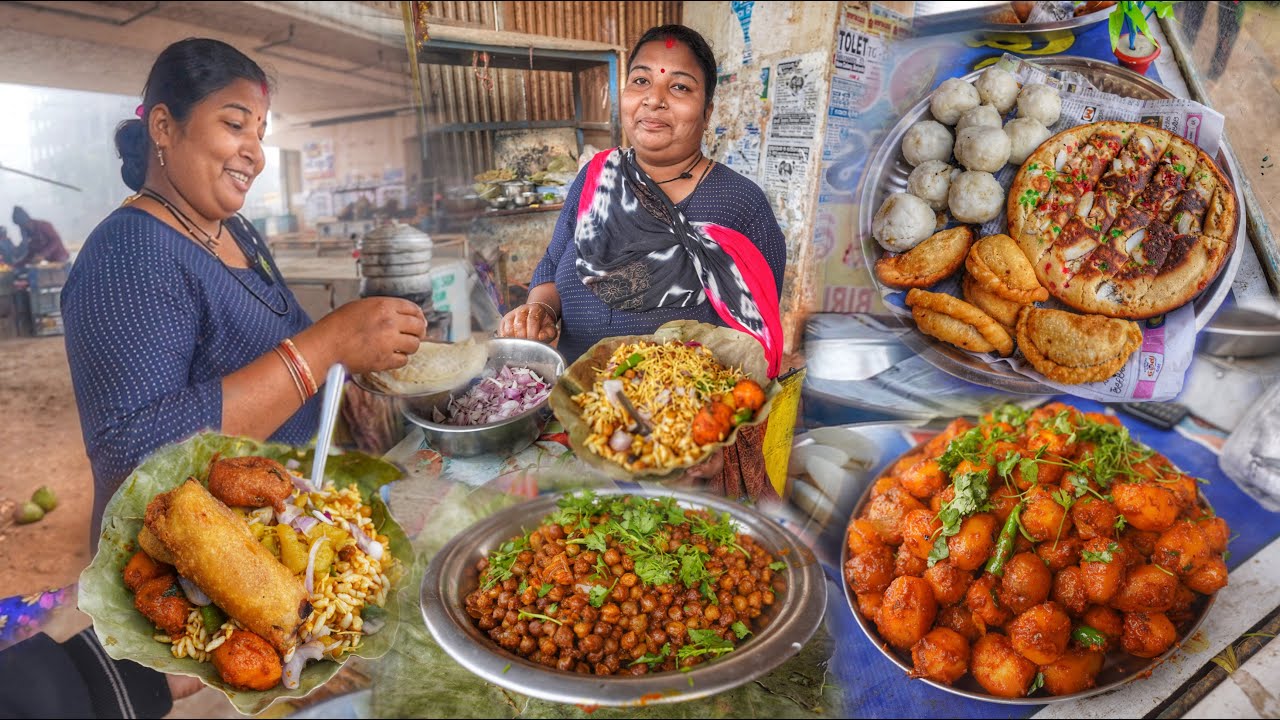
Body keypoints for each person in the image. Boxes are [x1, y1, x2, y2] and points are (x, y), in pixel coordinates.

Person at [61, 38, 425, 549]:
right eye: (235, 125)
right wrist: (324, 348)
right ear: (164, 126)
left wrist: (358, 350)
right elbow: (133, 459)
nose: (255, 153)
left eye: (260, 131)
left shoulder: (236, 231)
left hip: (283, 527)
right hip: (201, 564)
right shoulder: (128, 253)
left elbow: (287, 342)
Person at [499, 24, 787, 500]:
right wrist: (542, 311)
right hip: (577, 425)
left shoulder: (739, 205)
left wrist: (709, 433)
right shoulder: (594, 177)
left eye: (679, 86)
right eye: (640, 81)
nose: (654, 100)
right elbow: (552, 264)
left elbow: (755, 345)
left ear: (707, 110)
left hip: (678, 450)